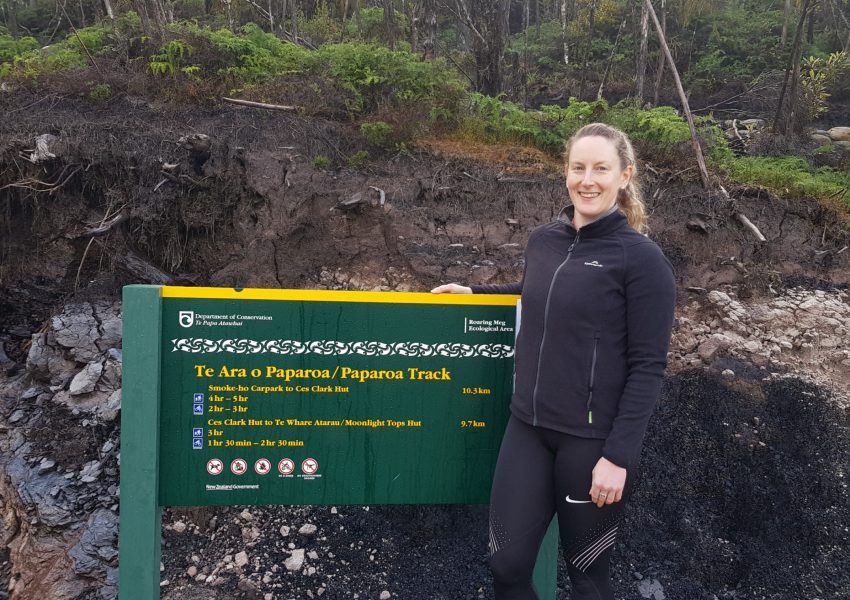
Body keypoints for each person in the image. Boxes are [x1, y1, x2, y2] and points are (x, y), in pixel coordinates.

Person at [432, 123, 676, 600]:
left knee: (587, 577)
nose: (588, 180)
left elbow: (649, 366)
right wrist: (476, 294)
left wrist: (617, 457)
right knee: (506, 565)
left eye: (601, 169)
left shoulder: (642, 261)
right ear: (565, 173)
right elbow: (537, 296)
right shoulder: (545, 239)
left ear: (624, 176)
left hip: (592, 443)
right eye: (578, 167)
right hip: (528, 427)